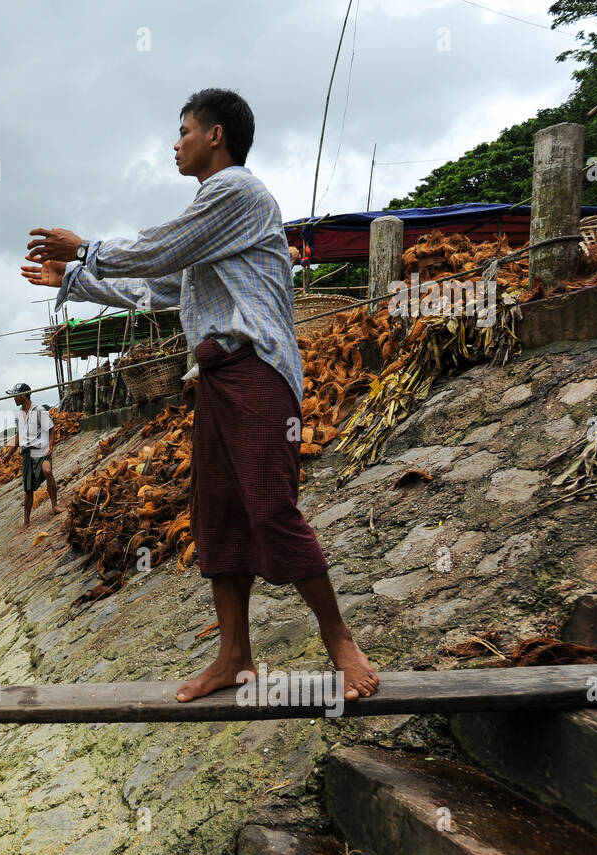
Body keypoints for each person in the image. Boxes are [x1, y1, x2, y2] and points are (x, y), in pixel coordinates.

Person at [22, 88, 378, 703]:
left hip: (258, 372)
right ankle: (235, 657)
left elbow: (159, 247)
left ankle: (340, 641)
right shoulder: (209, 223)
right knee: (218, 515)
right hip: (214, 380)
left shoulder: (236, 192)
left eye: (184, 130)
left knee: (270, 508)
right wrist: (76, 280)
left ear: (216, 135)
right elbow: (158, 288)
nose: (176, 142)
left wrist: (86, 249)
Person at [0, 383, 62, 530]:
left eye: (15, 396)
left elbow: (52, 429)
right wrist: (9, 454)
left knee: (47, 470)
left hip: (40, 450)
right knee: (28, 489)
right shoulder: (19, 415)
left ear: (23, 396)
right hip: (27, 453)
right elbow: (19, 436)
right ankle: (26, 521)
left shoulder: (39, 410)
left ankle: (55, 506)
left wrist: (50, 447)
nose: (14, 399)